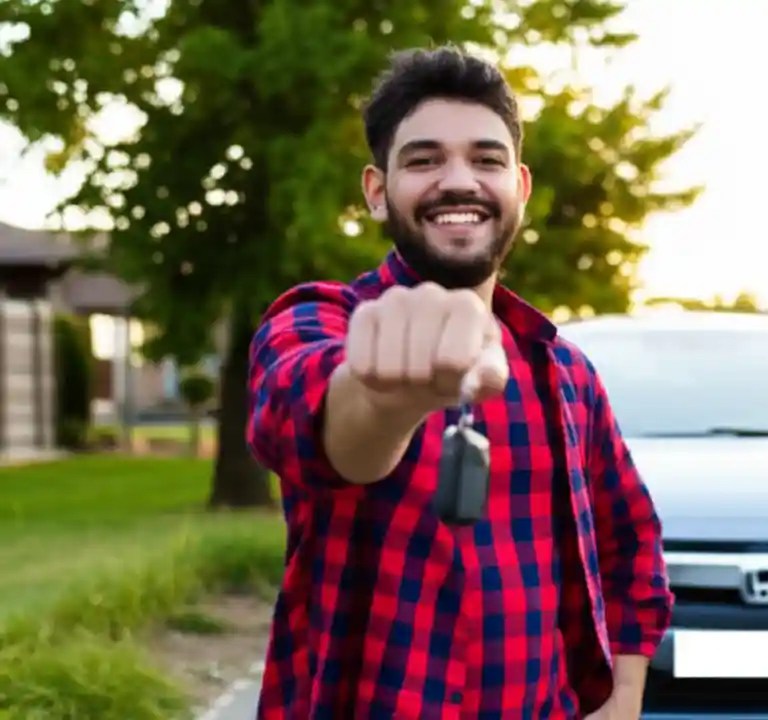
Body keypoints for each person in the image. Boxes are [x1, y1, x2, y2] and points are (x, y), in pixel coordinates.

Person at [245, 45, 673, 720]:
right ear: (377, 192)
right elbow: (315, 430)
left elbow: (631, 550)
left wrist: (620, 703)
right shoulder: (319, 324)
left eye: (486, 159)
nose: (458, 181)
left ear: (520, 189)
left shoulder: (567, 376)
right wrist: (389, 395)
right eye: (423, 160)